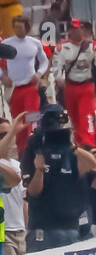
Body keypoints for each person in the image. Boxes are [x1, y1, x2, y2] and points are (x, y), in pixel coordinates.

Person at [23, 104, 96, 250]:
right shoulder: (34, 147)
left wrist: (71, 146)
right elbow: (33, 192)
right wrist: (39, 169)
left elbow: (92, 165)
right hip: (45, 228)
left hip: (72, 227)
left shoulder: (71, 150)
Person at [53, 19, 96, 148]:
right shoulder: (62, 48)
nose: (79, 31)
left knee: (86, 118)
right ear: (70, 30)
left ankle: (89, 146)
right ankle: (79, 147)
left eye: (81, 28)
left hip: (87, 87)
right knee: (74, 120)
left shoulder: (93, 46)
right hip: (70, 87)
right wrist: (59, 79)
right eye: (75, 28)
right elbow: (56, 66)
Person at [2, 14, 49, 154]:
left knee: (32, 117)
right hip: (14, 88)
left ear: (27, 28)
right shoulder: (7, 44)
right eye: (15, 27)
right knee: (18, 119)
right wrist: (2, 76)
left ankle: (34, 146)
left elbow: (44, 61)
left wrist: (39, 74)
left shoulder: (35, 43)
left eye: (20, 27)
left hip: (30, 88)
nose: (17, 30)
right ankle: (22, 149)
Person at [0, 117, 26, 255]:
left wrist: (26, 228)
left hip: (20, 230)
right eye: (2, 135)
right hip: (4, 233)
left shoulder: (17, 165)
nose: (7, 138)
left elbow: (24, 200)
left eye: (9, 134)